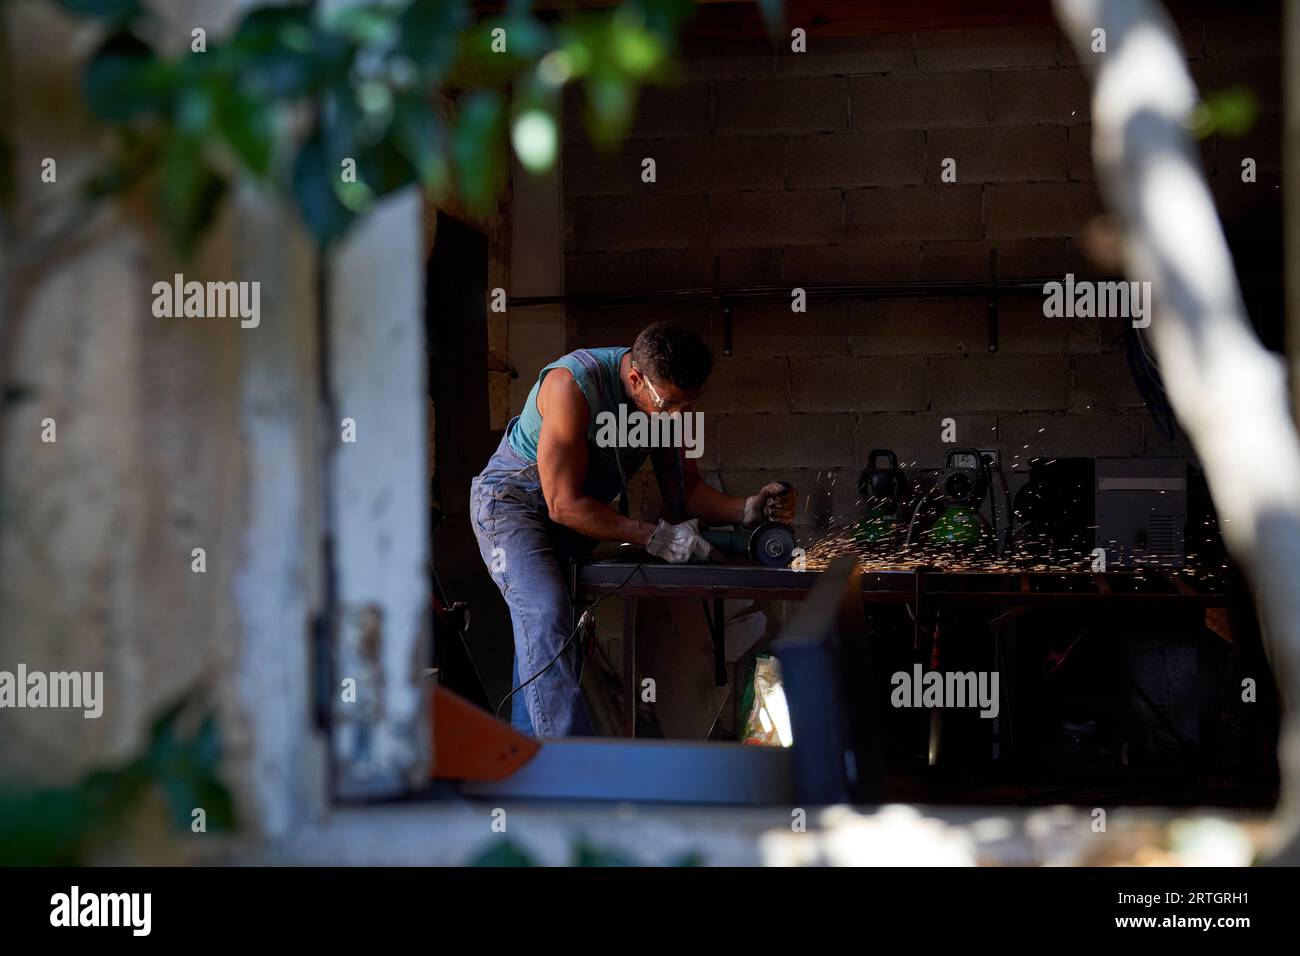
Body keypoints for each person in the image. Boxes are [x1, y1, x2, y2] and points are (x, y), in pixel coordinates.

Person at [469, 321, 798, 736]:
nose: (678, 417)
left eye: (688, 405)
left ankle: (523, 767)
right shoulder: (572, 386)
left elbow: (687, 494)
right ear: (635, 378)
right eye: (671, 404)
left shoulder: (664, 404)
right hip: (512, 505)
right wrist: (654, 535)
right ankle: (575, 779)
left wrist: (746, 507)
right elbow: (562, 504)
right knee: (545, 612)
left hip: (569, 513)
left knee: (546, 639)